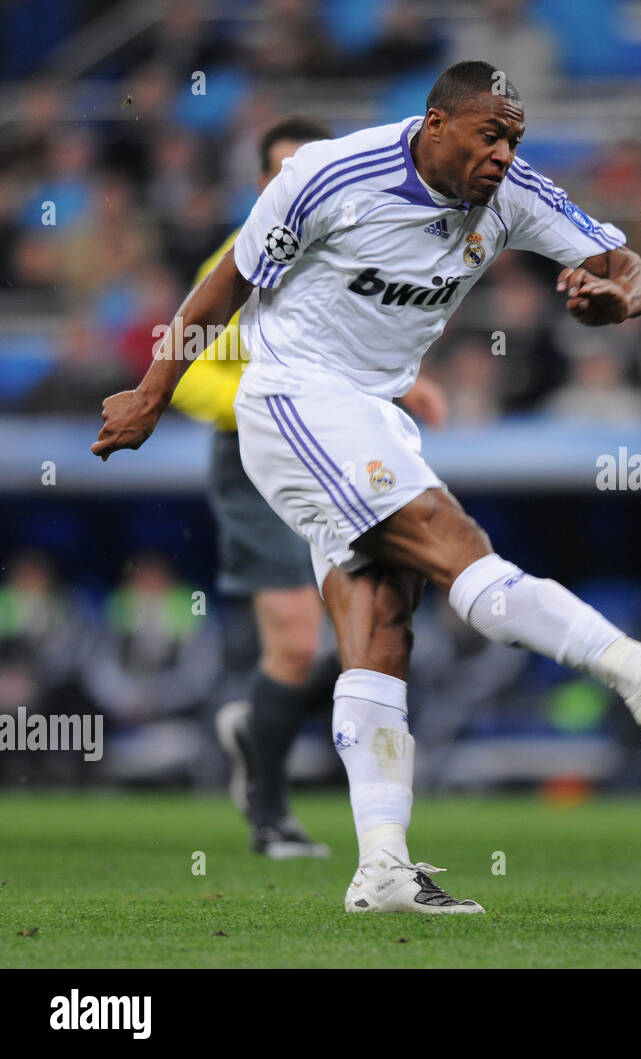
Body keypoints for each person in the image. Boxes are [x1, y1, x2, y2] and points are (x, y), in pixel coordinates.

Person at [93, 61, 641, 914]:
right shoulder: (331, 175)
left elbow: (633, 267)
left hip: (374, 411)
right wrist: (153, 391)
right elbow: (225, 286)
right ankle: (633, 664)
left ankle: (383, 867)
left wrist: (617, 299)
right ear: (436, 122)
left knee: (382, 616)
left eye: (515, 139)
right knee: (452, 541)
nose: (504, 155)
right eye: (489, 135)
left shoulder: (515, 194)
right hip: (293, 394)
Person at [171, 115, 447, 859]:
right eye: (279, 169)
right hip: (254, 456)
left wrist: (405, 391)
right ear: (264, 183)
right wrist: (277, 401)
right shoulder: (235, 259)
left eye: (309, 164)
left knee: (362, 628)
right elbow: (186, 367)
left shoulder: (355, 247)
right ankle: (271, 816)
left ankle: (258, 733)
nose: (294, 179)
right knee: (297, 640)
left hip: (342, 455)